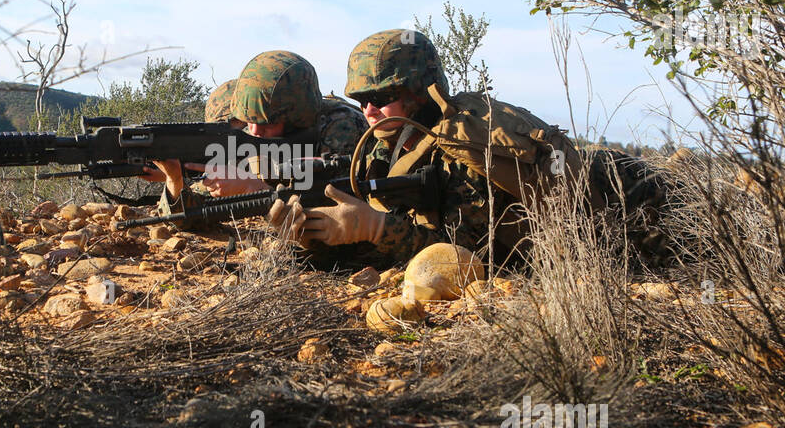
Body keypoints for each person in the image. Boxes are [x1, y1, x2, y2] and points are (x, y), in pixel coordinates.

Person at [267, 29, 674, 268]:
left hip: (638, 203)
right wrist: (318, 235)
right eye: (362, 100)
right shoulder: (388, 144)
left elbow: (469, 257)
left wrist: (372, 227)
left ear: (418, 94)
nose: (369, 110)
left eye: (381, 96)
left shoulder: (464, 150)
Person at [150, 50, 369, 225]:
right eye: (248, 120)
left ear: (298, 118)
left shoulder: (341, 125)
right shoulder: (247, 139)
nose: (254, 131)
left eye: (268, 123)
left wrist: (254, 190)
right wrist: (175, 180)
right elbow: (189, 216)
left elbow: (336, 211)